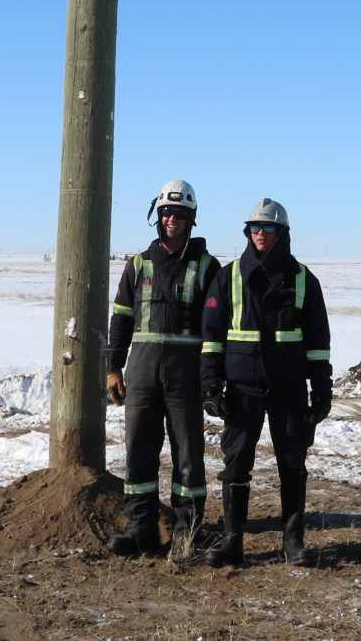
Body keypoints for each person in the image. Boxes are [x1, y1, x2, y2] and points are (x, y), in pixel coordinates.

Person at [199, 197, 333, 567]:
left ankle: (293, 541)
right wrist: (211, 387)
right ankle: (232, 541)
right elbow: (211, 338)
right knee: (236, 465)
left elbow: (318, 342)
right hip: (242, 392)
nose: (260, 234)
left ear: (282, 233)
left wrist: (322, 390)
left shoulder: (304, 280)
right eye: (254, 228)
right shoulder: (227, 278)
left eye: (268, 228)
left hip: (288, 390)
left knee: (292, 463)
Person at [104, 178, 220, 560]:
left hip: (185, 378)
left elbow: (216, 328)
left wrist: (212, 377)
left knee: (188, 455)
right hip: (141, 376)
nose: (173, 220)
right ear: (158, 215)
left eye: (181, 214)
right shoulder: (138, 265)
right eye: (168, 212)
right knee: (139, 452)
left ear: (191, 219)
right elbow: (120, 319)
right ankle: (143, 529)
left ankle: (187, 533)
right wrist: (113, 367)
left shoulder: (207, 267)